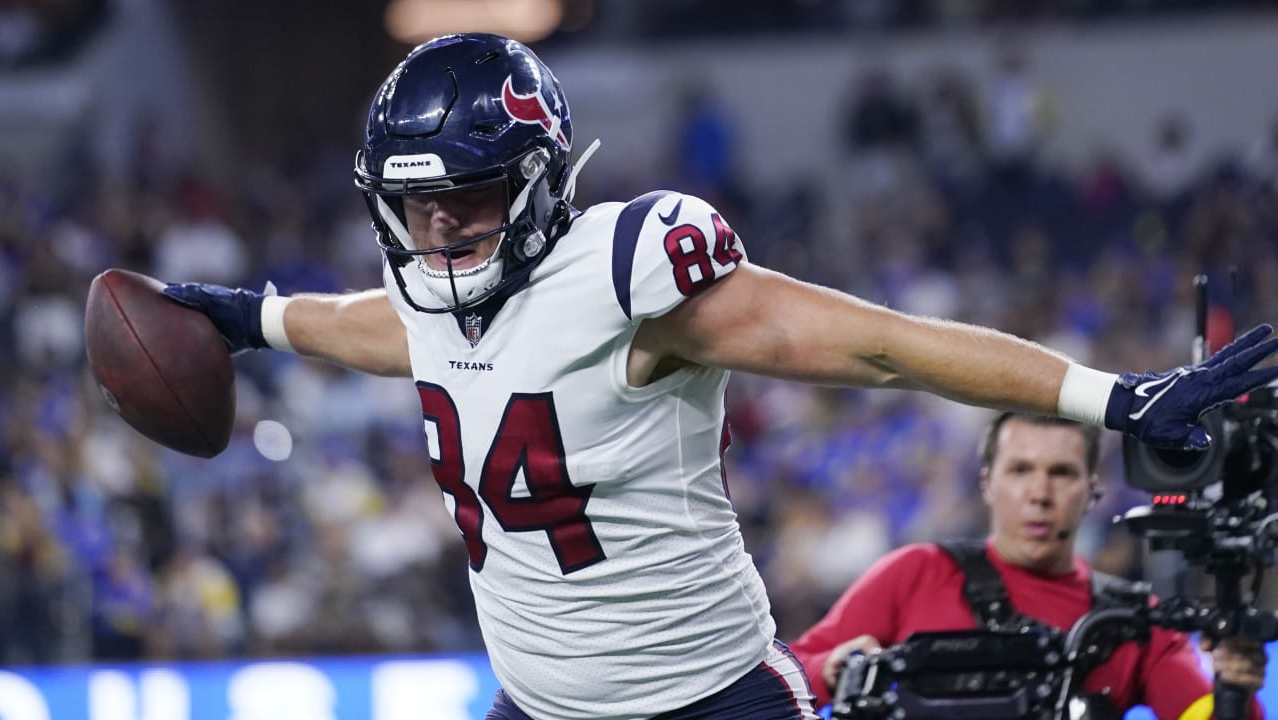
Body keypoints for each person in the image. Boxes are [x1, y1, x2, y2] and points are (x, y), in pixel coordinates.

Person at [160, 32, 1278, 720]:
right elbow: (384, 326)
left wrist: (1106, 395)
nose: (442, 231)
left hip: (710, 701)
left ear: (540, 182)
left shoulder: (624, 273)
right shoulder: (424, 285)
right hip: (538, 706)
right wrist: (256, 318)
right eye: (418, 208)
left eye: (471, 197)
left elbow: (876, 342)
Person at [789, 412, 1269, 719]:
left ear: (1092, 492)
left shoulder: (1135, 621)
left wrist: (1236, 689)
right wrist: (835, 666)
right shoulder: (914, 573)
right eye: (1020, 471)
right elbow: (791, 677)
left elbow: (1203, 714)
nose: (1040, 495)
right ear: (987, 483)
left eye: (1061, 474)